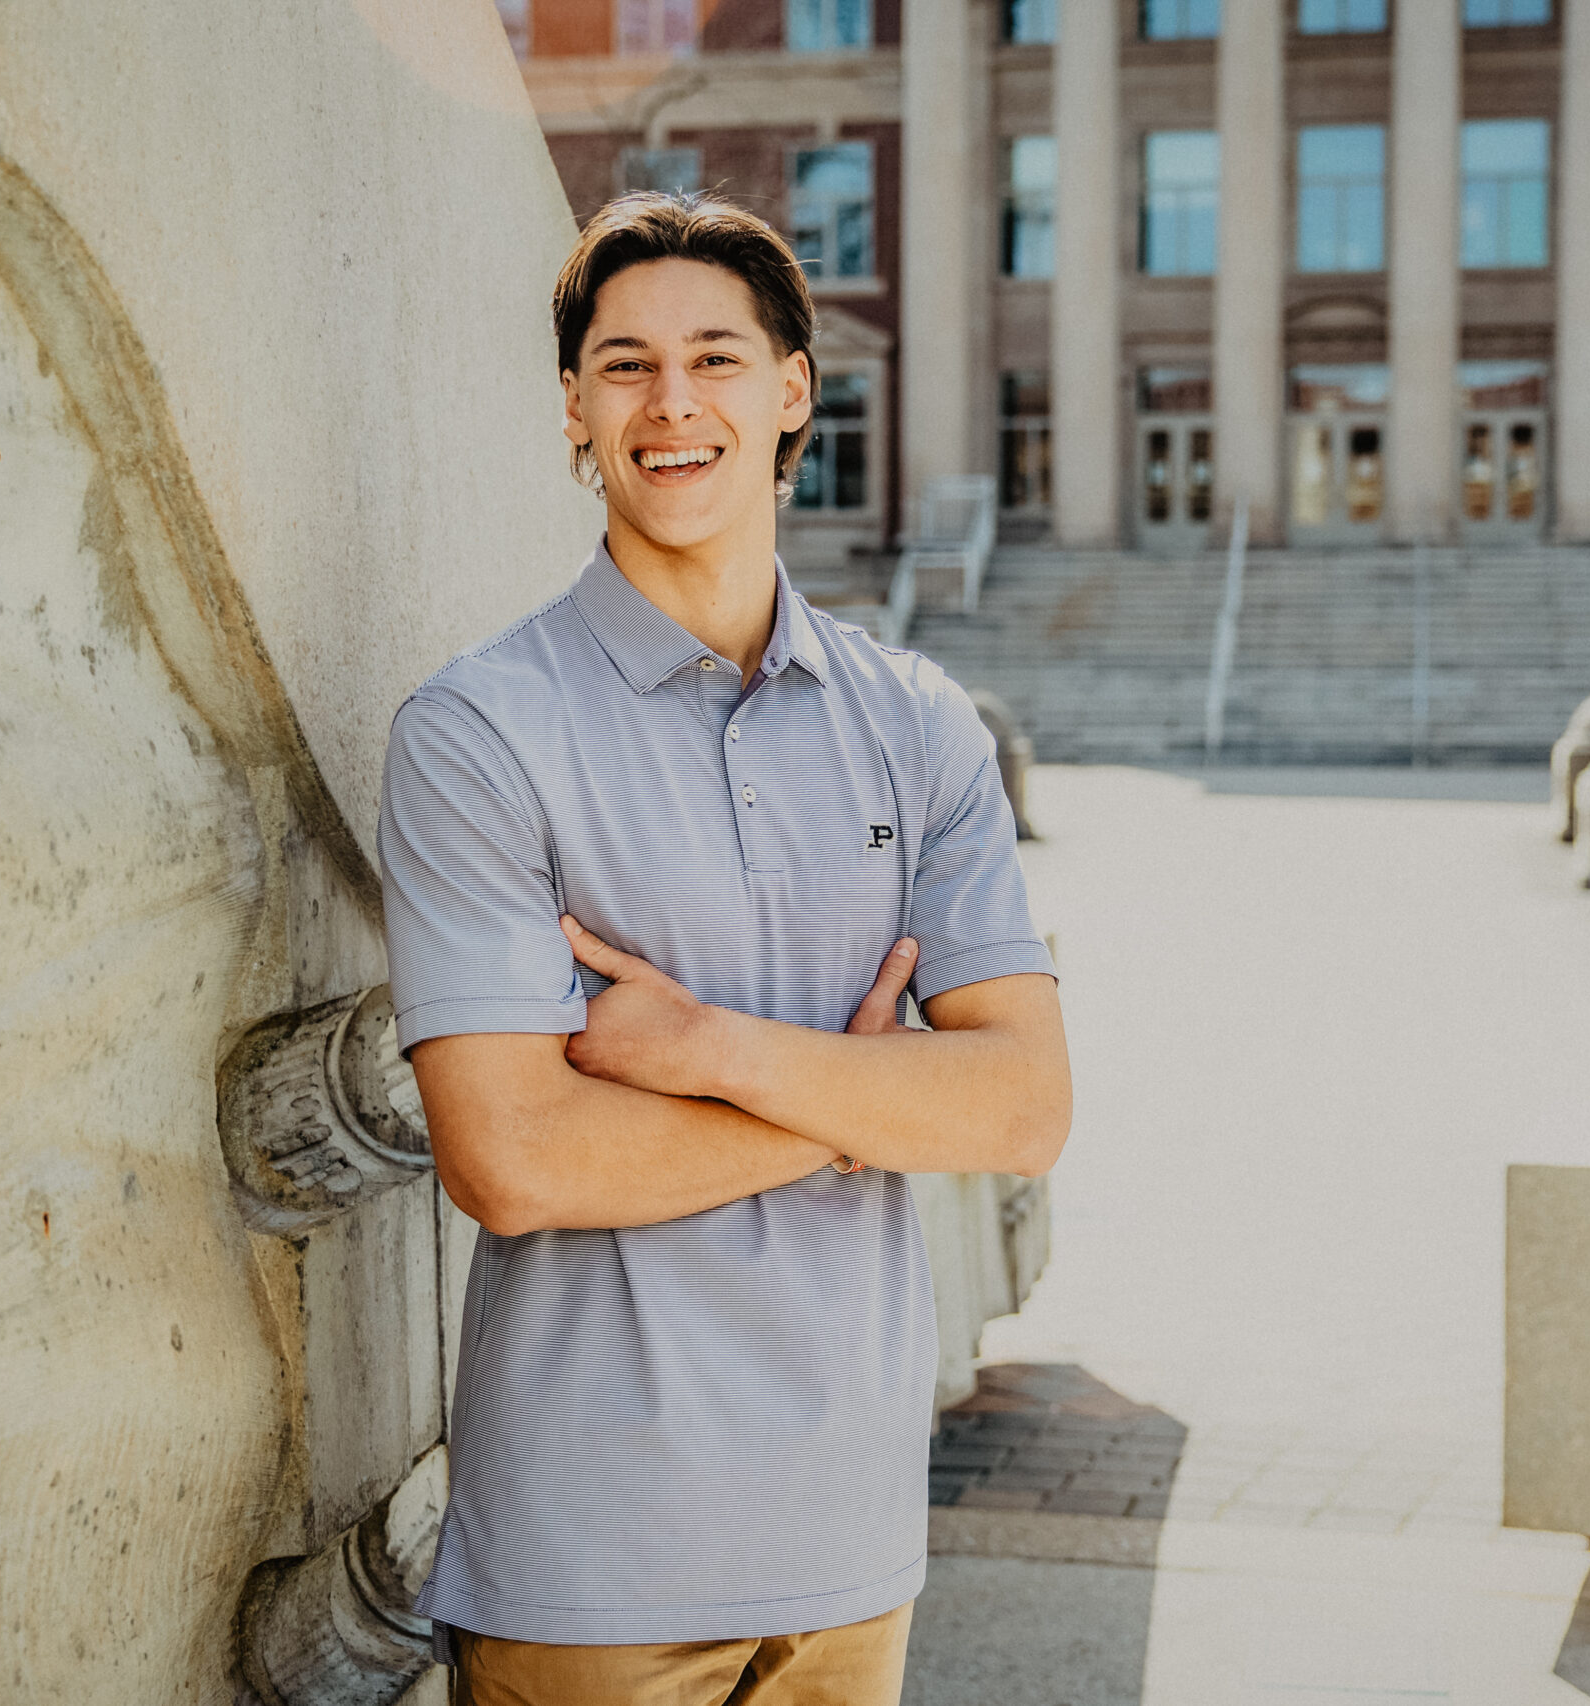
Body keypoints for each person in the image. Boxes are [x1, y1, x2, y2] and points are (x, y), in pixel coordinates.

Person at [378, 191, 1072, 1706]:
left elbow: (1021, 1106)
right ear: (574, 406)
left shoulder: (920, 723)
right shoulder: (479, 733)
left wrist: (712, 1055)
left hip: (856, 1549)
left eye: (715, 357)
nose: (672, 401)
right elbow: (515, 1159)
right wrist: (862, 1102)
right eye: (624, 365)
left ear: (792, 391)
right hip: (590, 1564)